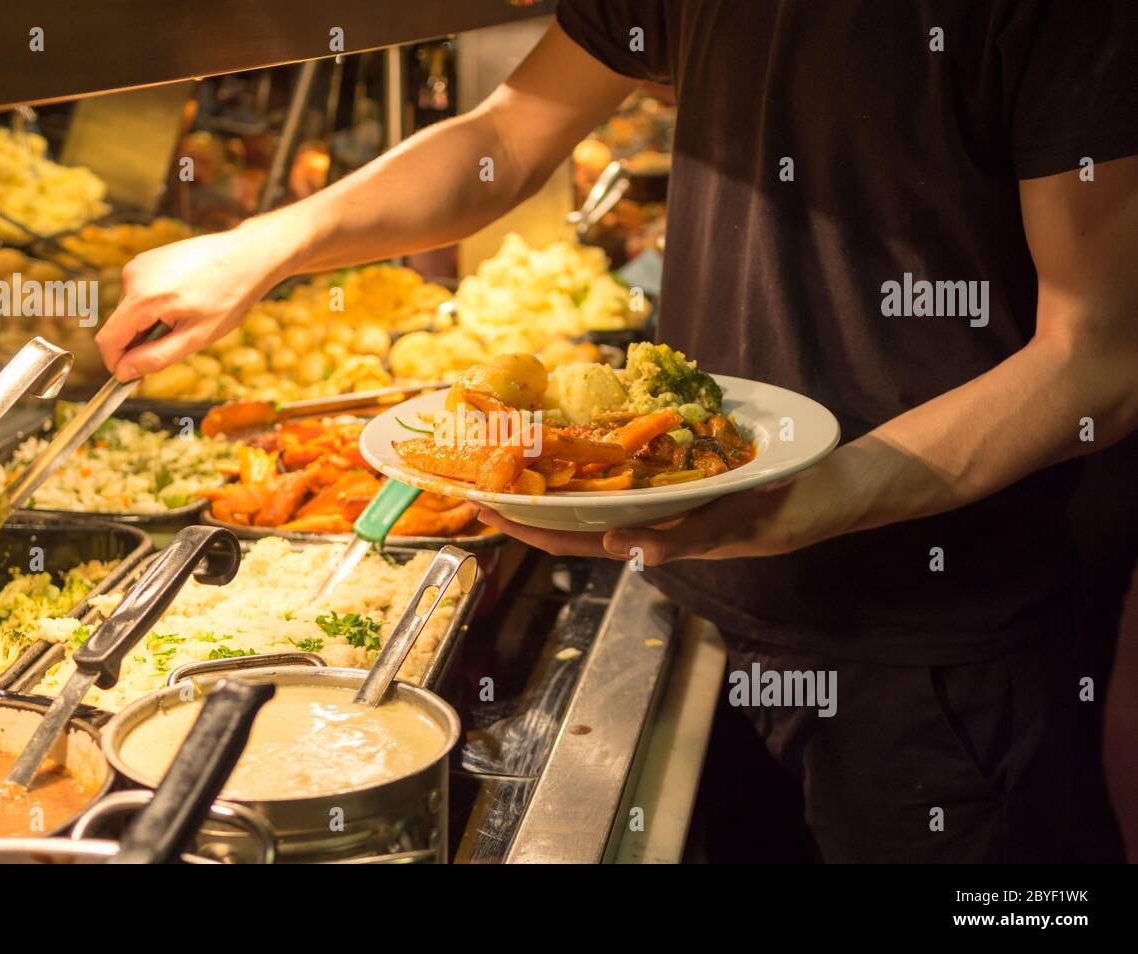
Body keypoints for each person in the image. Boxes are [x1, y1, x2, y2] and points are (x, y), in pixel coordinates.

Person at [96, 1, 1138, 862]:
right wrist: (267, 245)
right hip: (701, 604)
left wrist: (801, 503)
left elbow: (1100, 358)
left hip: (936, 644)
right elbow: (505, 139)